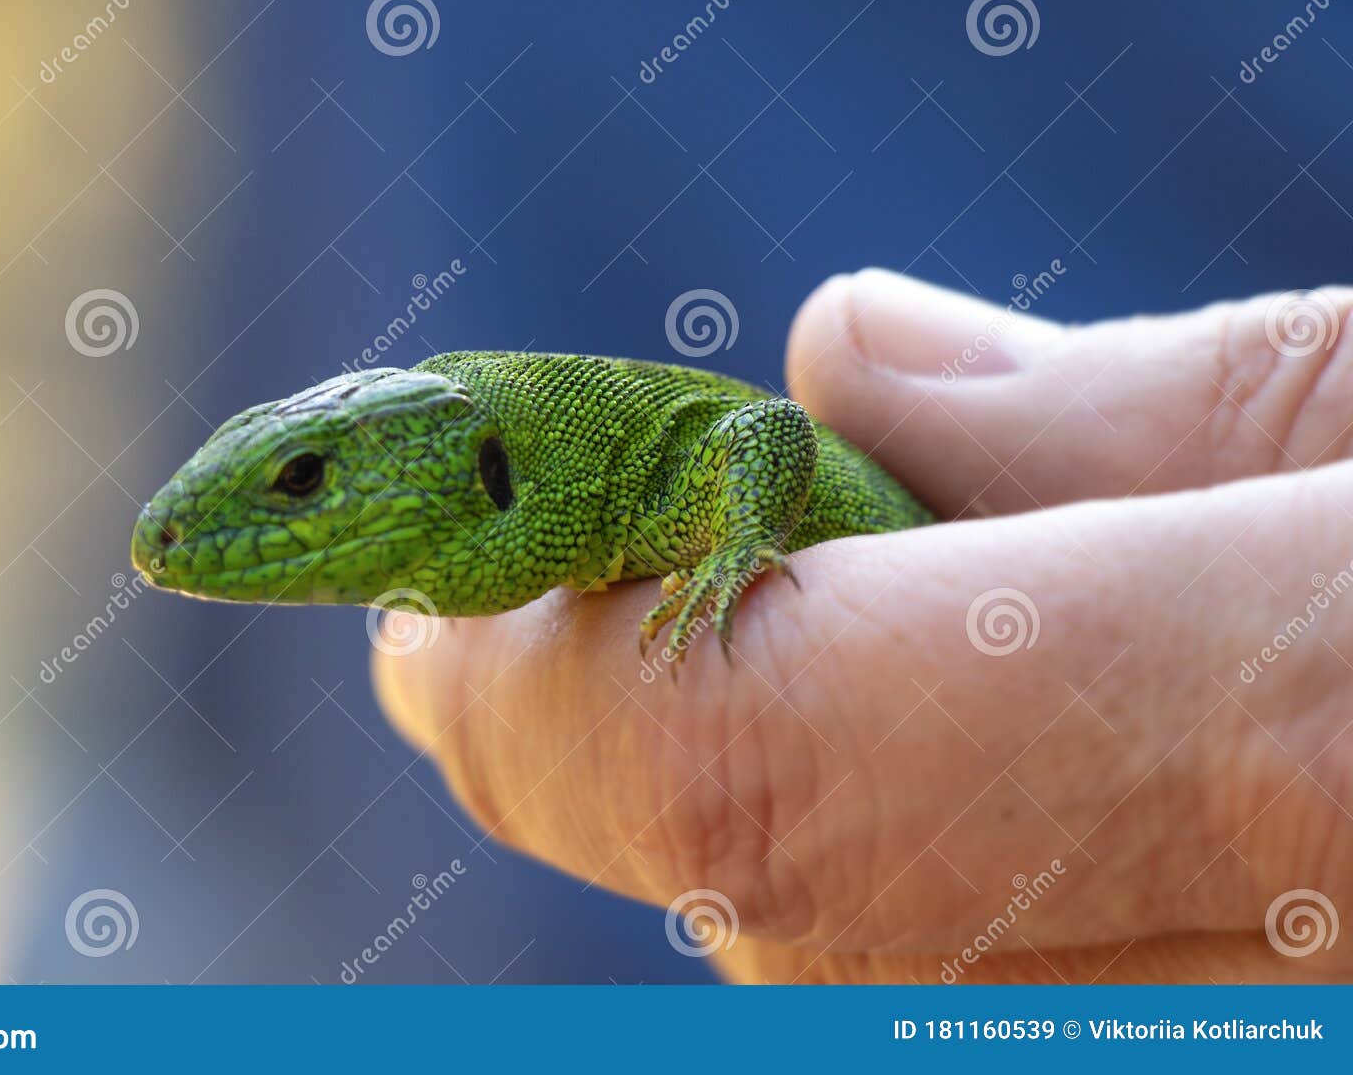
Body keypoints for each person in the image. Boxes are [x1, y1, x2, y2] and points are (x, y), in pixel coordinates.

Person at [372, 269, 1353, 983]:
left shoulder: (637, 491)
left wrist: (733, 551)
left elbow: (767, 431)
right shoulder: (544, 474)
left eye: (305, 482)